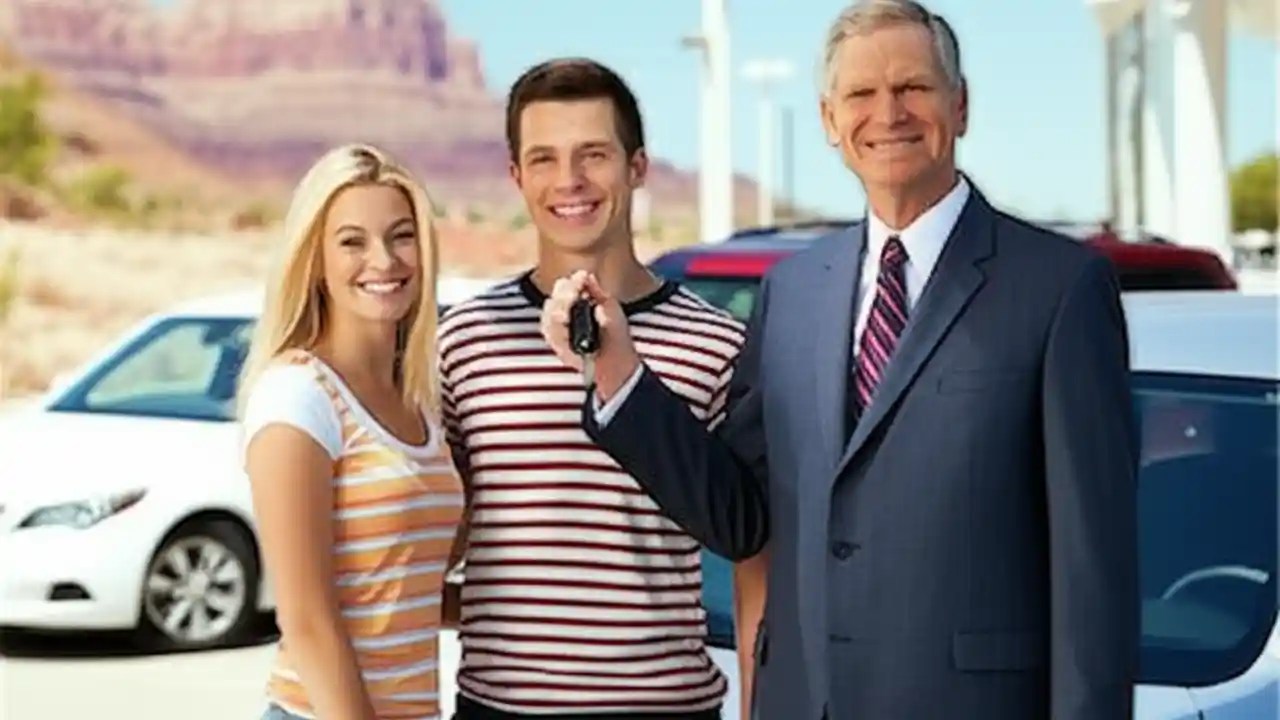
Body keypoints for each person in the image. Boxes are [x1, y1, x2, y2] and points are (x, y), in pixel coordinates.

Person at [540, 2, 1140, 719]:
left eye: (912, 87)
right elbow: (741, 517)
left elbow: (1092, 581)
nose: (888, 113)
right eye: (861, 94)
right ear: (830, 121)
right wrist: (619, 376)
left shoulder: (1060, 288)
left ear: (961, 105)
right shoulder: (792, 292)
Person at [436, 58, 742, 719]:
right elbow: (431, 537)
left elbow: (746, 543)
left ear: (637, 167)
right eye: (543, 159)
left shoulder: (719, 343)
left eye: (593, 154)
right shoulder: (464, 339)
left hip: (666, 707)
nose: (568, 181)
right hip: (499, 708)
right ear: (517, 176)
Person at [238, 143, 466, 720]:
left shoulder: (419, 404)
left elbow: (403, 593)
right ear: (315, 260)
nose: (384, 260)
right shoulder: (299, 395)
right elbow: (308, 620)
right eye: (352, 241)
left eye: (401, 235)